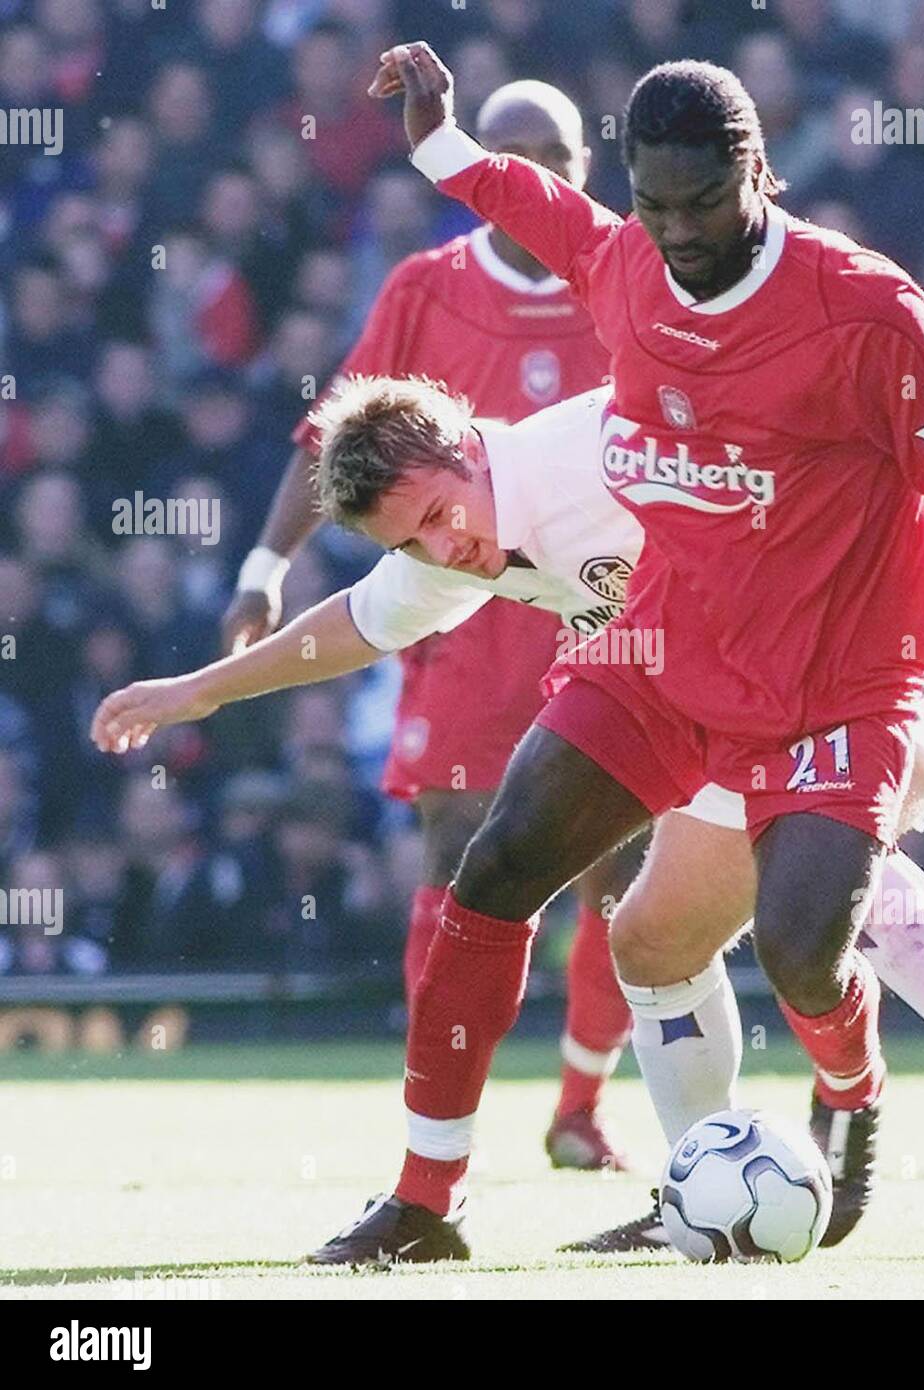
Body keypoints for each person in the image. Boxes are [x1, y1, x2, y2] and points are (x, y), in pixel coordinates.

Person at [94, 356, 924, 1262]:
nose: (450, 548)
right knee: (640, 938)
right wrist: (201, 690)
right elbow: (357, 622)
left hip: (877, 651)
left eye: (442, 513)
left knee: (813, 872)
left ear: (468, 441)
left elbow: (829, 364)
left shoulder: (608, 437)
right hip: (709, 689)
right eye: (414, 540)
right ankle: (520, 1197)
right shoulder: (444, 546)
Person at [336, 42, 924, 1255]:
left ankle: (852, 1087)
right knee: (500, 858)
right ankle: (426, 1201)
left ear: (759, 175)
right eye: (654, 204)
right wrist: (438, 144)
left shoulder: (865, 309)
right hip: (664, 654)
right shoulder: (628, 262)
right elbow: (546, 209)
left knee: (798, 951)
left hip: (840, 681)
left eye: (700, 202)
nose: (674, 232)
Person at [221, 80, 645, 1175]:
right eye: (505, 154)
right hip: (467, 609)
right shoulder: (426, 287)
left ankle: (581, 1103)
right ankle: (437, 1112)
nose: (528, 180)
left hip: (607, 607)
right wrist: (268, 564)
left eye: (548, 157)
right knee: (459, 848)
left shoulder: (627, 274)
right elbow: (336, 443)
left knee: (619, 865)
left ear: (580, 172)